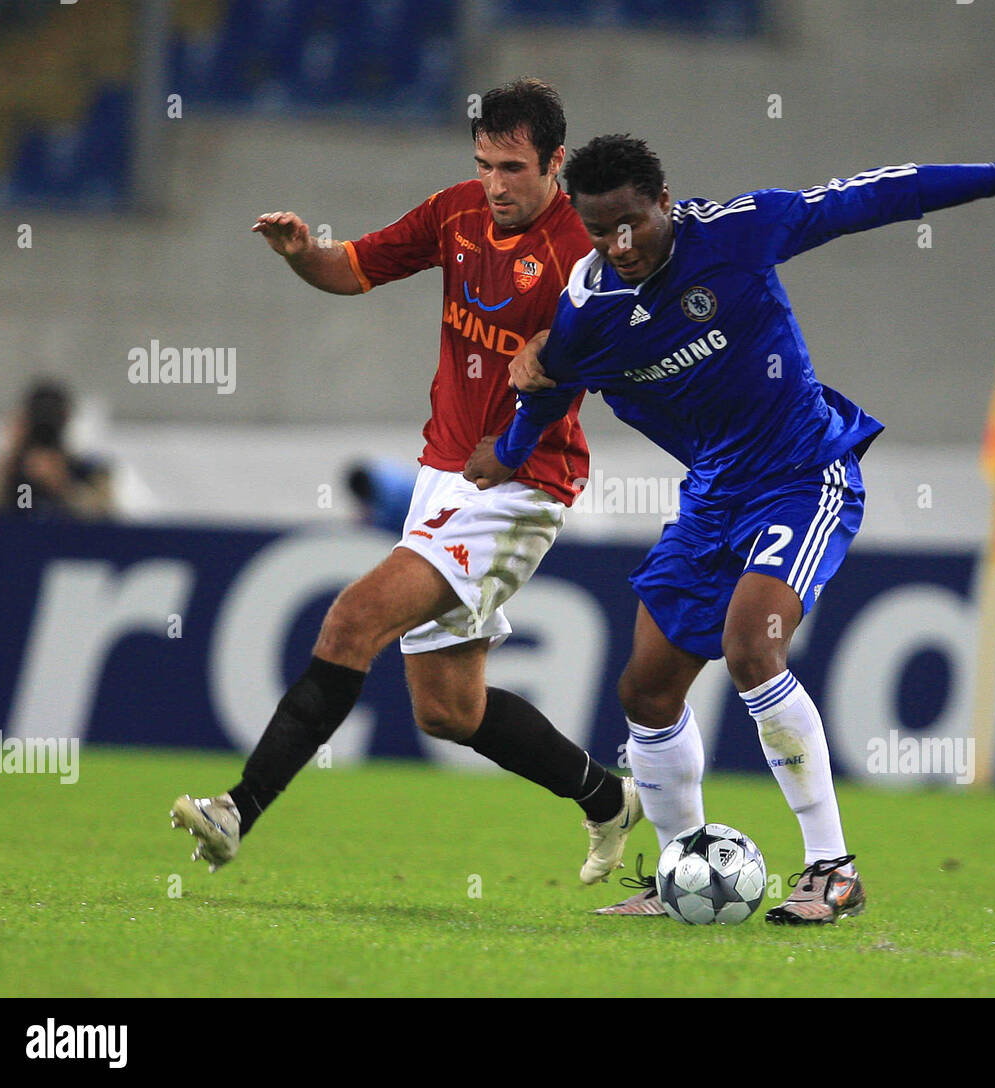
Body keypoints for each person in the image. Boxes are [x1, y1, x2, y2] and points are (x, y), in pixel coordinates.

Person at [467, 136, 995, 923]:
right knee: (646, 686)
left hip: (805, 473)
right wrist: (507, 450)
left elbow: (876, 192)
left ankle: (832, 870)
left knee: (752, 644)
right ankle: (681, 871)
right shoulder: (588, 309)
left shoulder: (739, 233)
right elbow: (547, 388)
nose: (623, 244)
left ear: (665, 200)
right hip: (712, 497)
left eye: (635, 222)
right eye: (602, 230)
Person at [171, 79, 642, 886]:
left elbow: (593, 365)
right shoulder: (456, 211)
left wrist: (532, 408)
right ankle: (609, 798)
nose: (495, 184)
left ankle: (236, 810)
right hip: (442, 476)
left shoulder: (581, 254)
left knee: (353, 619)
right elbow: (353, 268)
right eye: (485, 164)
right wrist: (300, 256)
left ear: (556, 163)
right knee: (447, 711)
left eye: (514, 167)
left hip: (520, 488)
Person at [0, 380, 112, 520]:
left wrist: (63, 485)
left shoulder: (90, 470)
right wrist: (10, 459)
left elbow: (105, 519)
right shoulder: (5, 471)